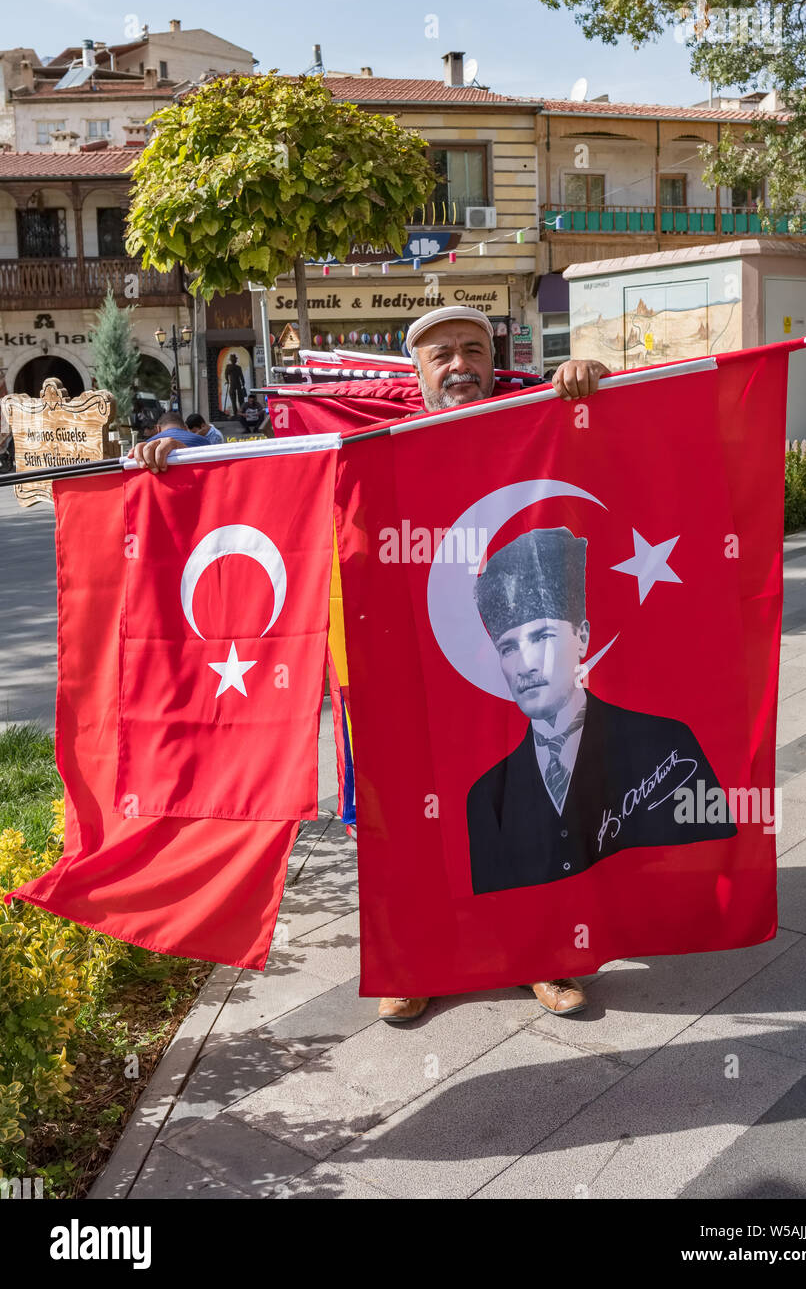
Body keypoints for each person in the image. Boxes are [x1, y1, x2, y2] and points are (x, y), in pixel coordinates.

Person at [130, 304, 610, 1022]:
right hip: (394, 661)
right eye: (441, 354)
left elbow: (607, 437)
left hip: (497, 661)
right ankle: (413, 958)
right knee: (400, 818)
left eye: (472, 350)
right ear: (414, 370)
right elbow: (257, 479)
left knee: (528, 798)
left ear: (493, 357)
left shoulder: (533, 417)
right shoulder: (358, 437)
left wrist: (594, 380)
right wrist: (171, 456)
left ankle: (540, 953)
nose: (459, 366)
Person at [467, 527, 734, 895]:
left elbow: (715, 865)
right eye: (508, 647)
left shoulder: (669, 745)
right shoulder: (485, 796)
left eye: (542, 637)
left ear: (583, 637)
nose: (526, 665)